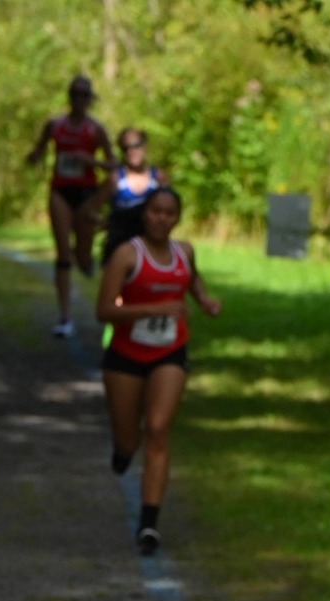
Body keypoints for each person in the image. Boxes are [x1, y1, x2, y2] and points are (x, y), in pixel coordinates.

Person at [94, 187, 220, 555]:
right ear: (144, 214)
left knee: (159, 429)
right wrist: (153, 309)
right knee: (128, 440)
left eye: (169, 213)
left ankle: (149, 524)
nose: (161, 219)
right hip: (125, 356)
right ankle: (122, 450)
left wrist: (205, 300)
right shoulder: (127, 255)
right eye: (155, 211)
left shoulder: (185, 252)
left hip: (170, 352)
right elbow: (104, 311)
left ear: (177, 218)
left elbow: (191, 279)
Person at [26, 75, 113, 338]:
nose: (79, 99)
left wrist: (91, 161)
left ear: (90, 99)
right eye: (75, 93)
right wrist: (34, 157)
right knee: (63, 254)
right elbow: (39, 150)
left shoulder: (96, 130)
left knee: (83, 260)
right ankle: (65, 317)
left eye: (84, 95)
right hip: (60, 192)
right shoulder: (55, 125)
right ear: (69, 96)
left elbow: (113, 165)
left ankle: (87, 260)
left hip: (86, 194)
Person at [98, 126, 168, 265]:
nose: (131, 151)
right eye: (126, 148)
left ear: (145, 147)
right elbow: (90, 211)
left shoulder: (158, 178)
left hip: (150, 248)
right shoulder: (115, 178)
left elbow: (170, 210)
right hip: (118, 246)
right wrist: (108, 223)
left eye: (136, 146)